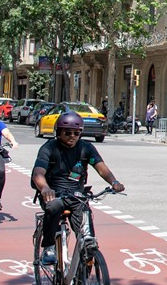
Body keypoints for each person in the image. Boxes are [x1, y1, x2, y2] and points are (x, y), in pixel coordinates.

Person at [31, 112, 125, 265]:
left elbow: (101, 168)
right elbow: (38, 173)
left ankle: (84, 277)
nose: (72, 136)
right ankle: (48, 247)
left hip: (77, 195)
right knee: (54, 207)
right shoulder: (49, 148)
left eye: (76, 133)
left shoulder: (86, 147)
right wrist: (45, 189)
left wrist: (114, 182)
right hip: (54, 195)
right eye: (67, 133)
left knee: (87, 231)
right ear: (59, 132)